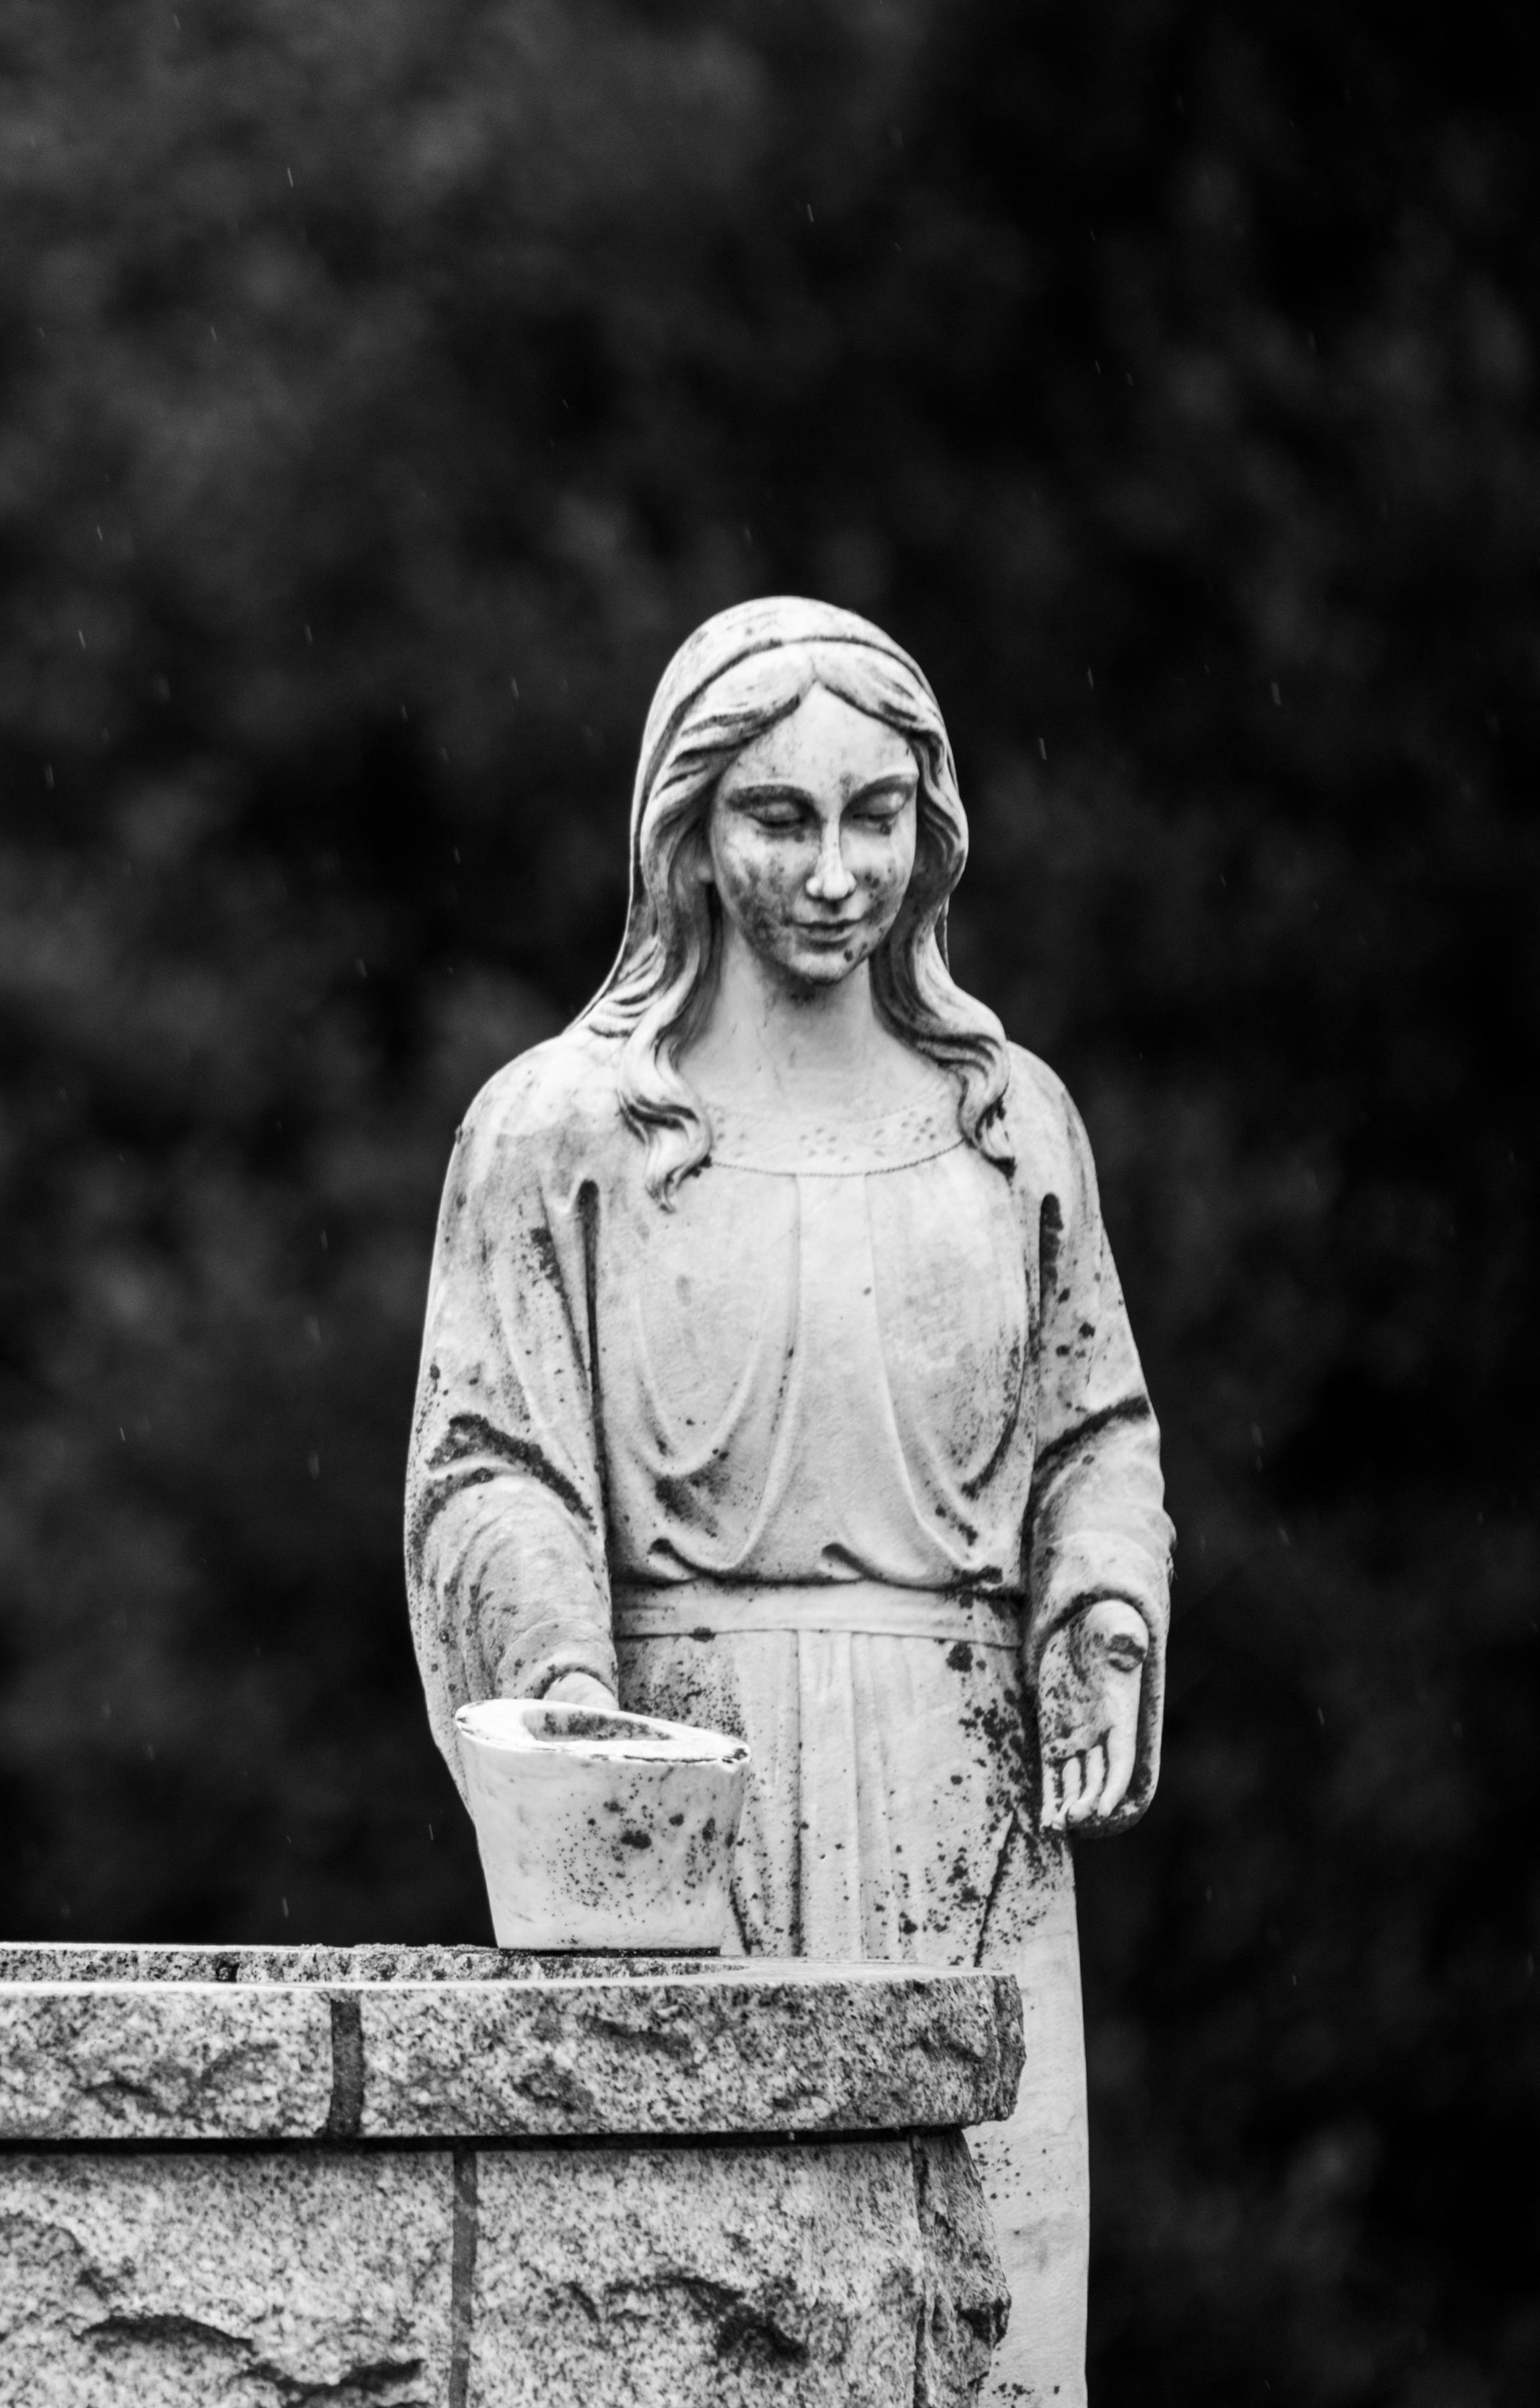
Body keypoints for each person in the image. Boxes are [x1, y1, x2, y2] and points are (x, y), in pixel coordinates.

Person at [403, 595, 1168, 2407]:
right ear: (689, 835)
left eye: (875, 818)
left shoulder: (1009, 1123)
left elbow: (1095, 1427)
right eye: (781, 820)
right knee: (694, 2314)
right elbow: (490, 1459)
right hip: (688, 1775)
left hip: (967, 1789)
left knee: (979, 2317)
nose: (838, 874)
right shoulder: (563, 1129)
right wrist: (565, 1686)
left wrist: (1102, 1609)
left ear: (932, 832)